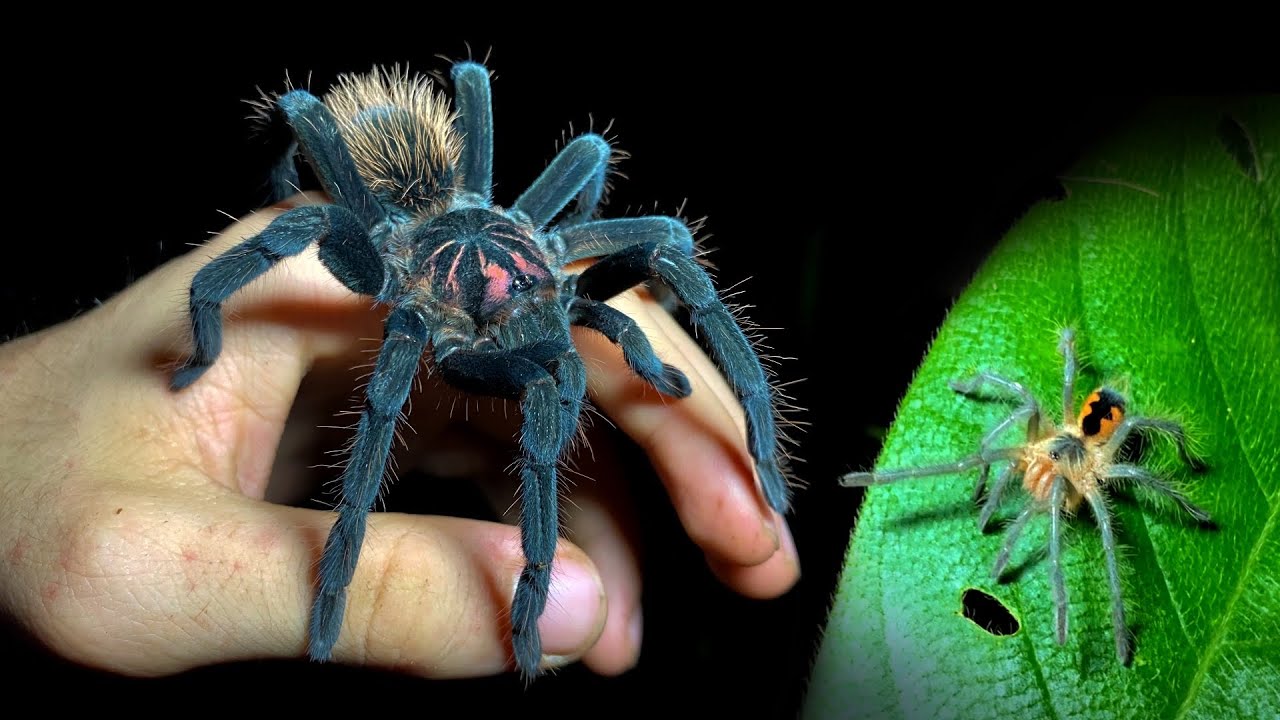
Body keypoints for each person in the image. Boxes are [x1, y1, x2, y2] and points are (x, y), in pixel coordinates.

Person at [0, 195, 799, 679]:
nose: (536, 319)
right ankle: (349, 571)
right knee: (316, 231)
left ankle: (760, 444)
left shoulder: (556, 285)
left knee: (641, 225)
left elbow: (656, 237)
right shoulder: (405, 287)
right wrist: (206, 335)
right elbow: (306, 208)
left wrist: (637, 345)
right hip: (411, 244)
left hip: (492, 236)